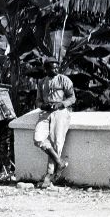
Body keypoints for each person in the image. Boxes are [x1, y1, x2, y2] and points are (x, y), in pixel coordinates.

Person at [34, 57, 75, 189]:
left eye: (57, 67)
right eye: (52, 67)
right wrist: (44, 106)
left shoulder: (64, 80)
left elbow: (72, 97)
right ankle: (59, 162)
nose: (56, 69)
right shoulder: (42, 82)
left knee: (57, 143)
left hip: (61, 113)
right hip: (46, 114)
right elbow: (38, 101)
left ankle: (48, 176)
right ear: (46, 69)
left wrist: (61, 104)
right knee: (38, 138)